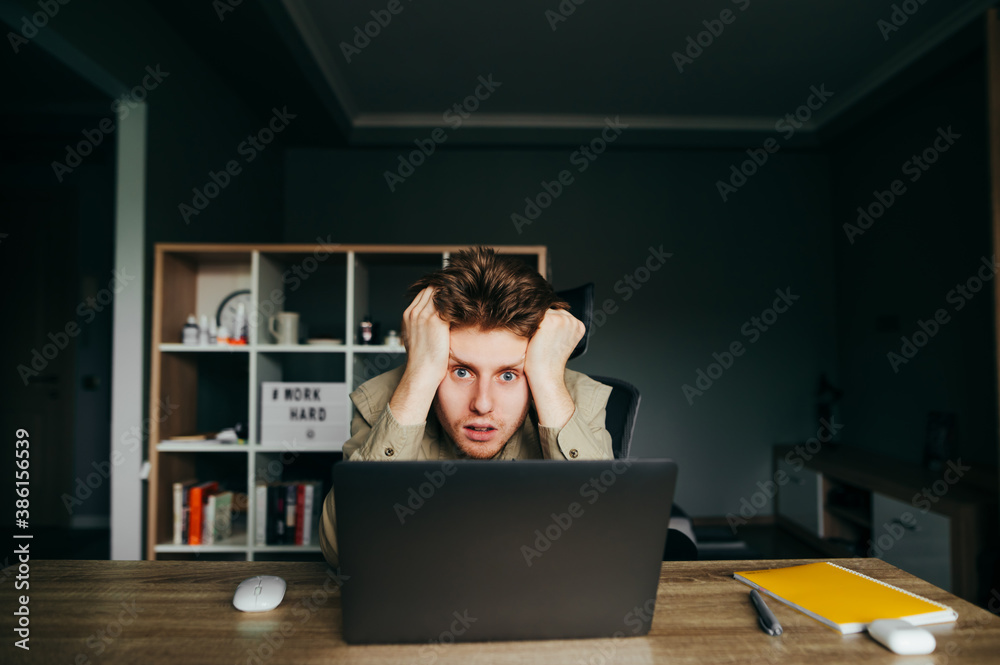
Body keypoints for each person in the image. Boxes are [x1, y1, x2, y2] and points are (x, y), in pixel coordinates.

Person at [319, 247, 613, 567]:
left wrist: (546, 380)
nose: (482, 404)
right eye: (461, 371)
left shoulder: (573, 398)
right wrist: (419, 376)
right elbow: (344, 553)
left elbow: (606, 543)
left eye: (508, 374)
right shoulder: (384, 400)